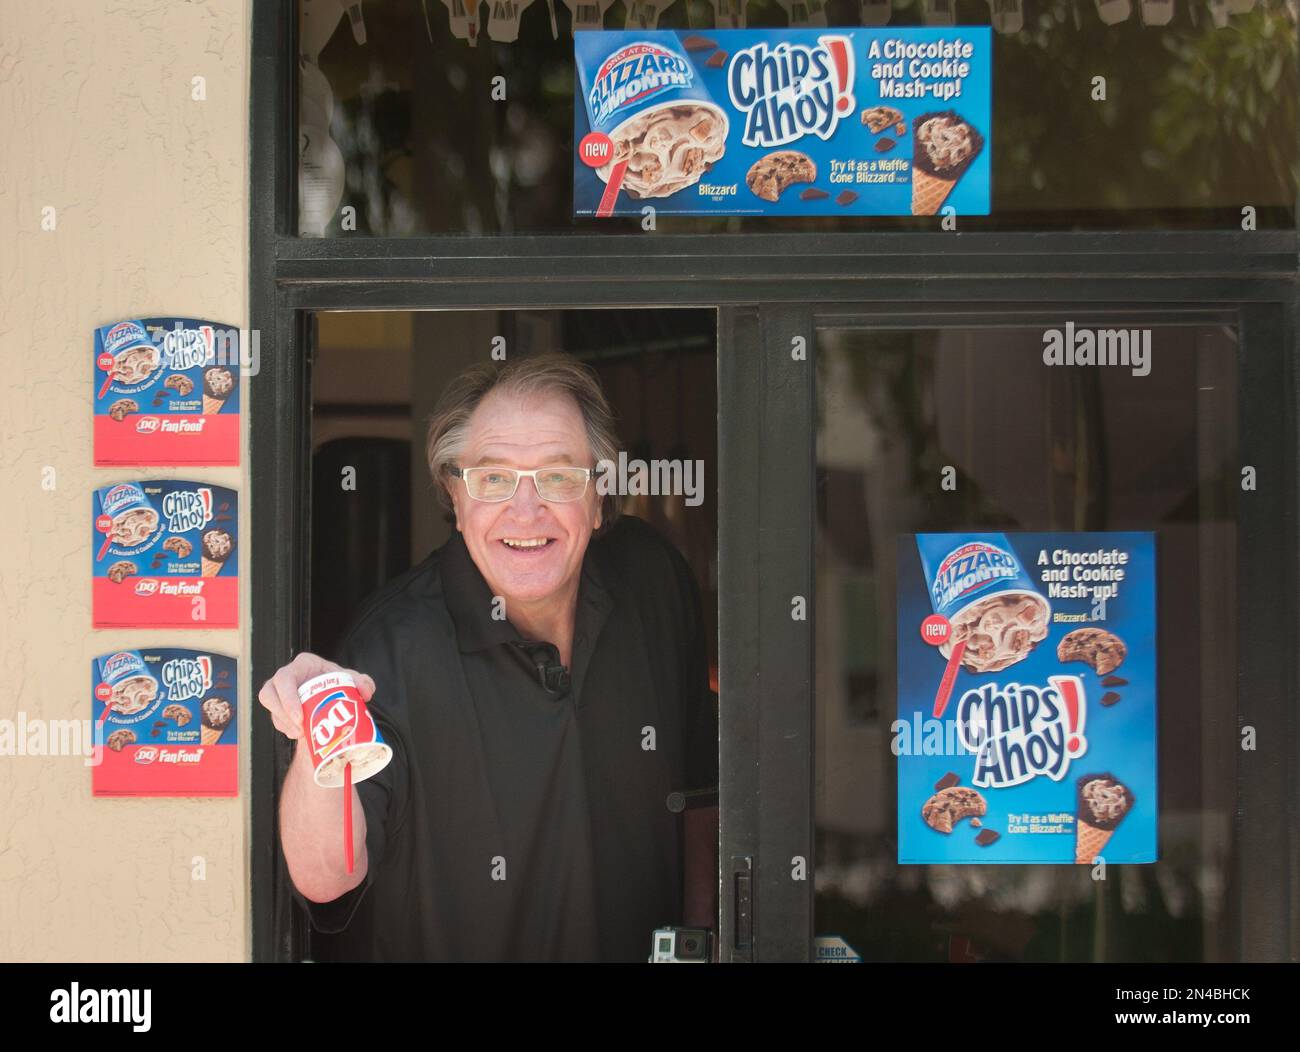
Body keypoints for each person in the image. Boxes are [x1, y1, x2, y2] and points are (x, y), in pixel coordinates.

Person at [259, 352, 719, 961]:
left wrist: (704, 936)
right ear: (454, 491)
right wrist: (318, 740)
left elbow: (700, 791)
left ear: (601, 492)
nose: (525, 512)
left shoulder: (652, 580)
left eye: (558, 477)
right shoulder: (389, 646)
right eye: (493, 478)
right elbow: (326, 876)